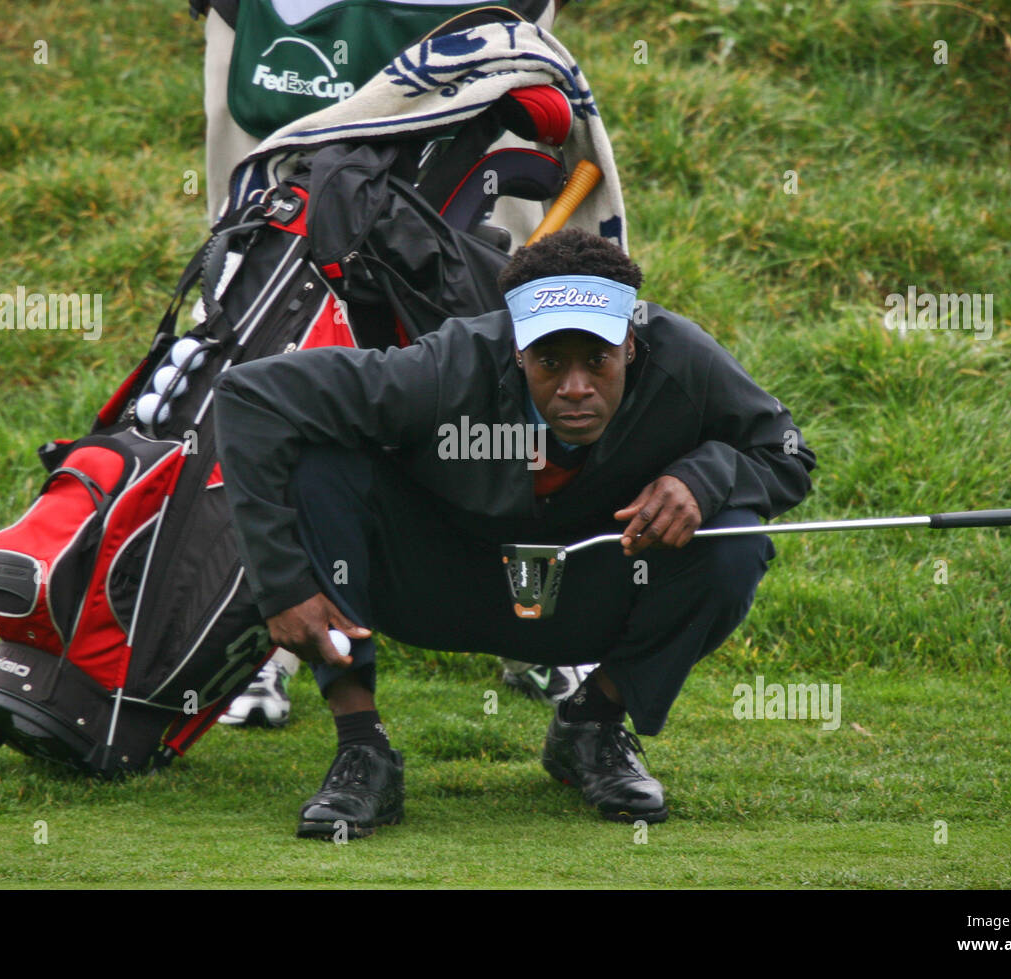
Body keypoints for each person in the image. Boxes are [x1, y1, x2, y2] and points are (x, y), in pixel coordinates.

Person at [212, 229, 817, 836]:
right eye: (551, 361)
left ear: (630, 345)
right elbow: (250, 395)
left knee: (733, 537)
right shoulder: (447, 364)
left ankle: (592, 725)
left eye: (597, 360)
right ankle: (361, 749)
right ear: (518, 351)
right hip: (436, 587)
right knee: (324, 468)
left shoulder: (683, 358)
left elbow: (787, 452)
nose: (576, 386)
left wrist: (702, 478)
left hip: (586, 593)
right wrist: (284, 586)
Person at [192, 0, 587, 727]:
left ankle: (538, 625)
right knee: (260, 324)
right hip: (280, 31)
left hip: (468, 37)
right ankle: (255, 643)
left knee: (507, 343)